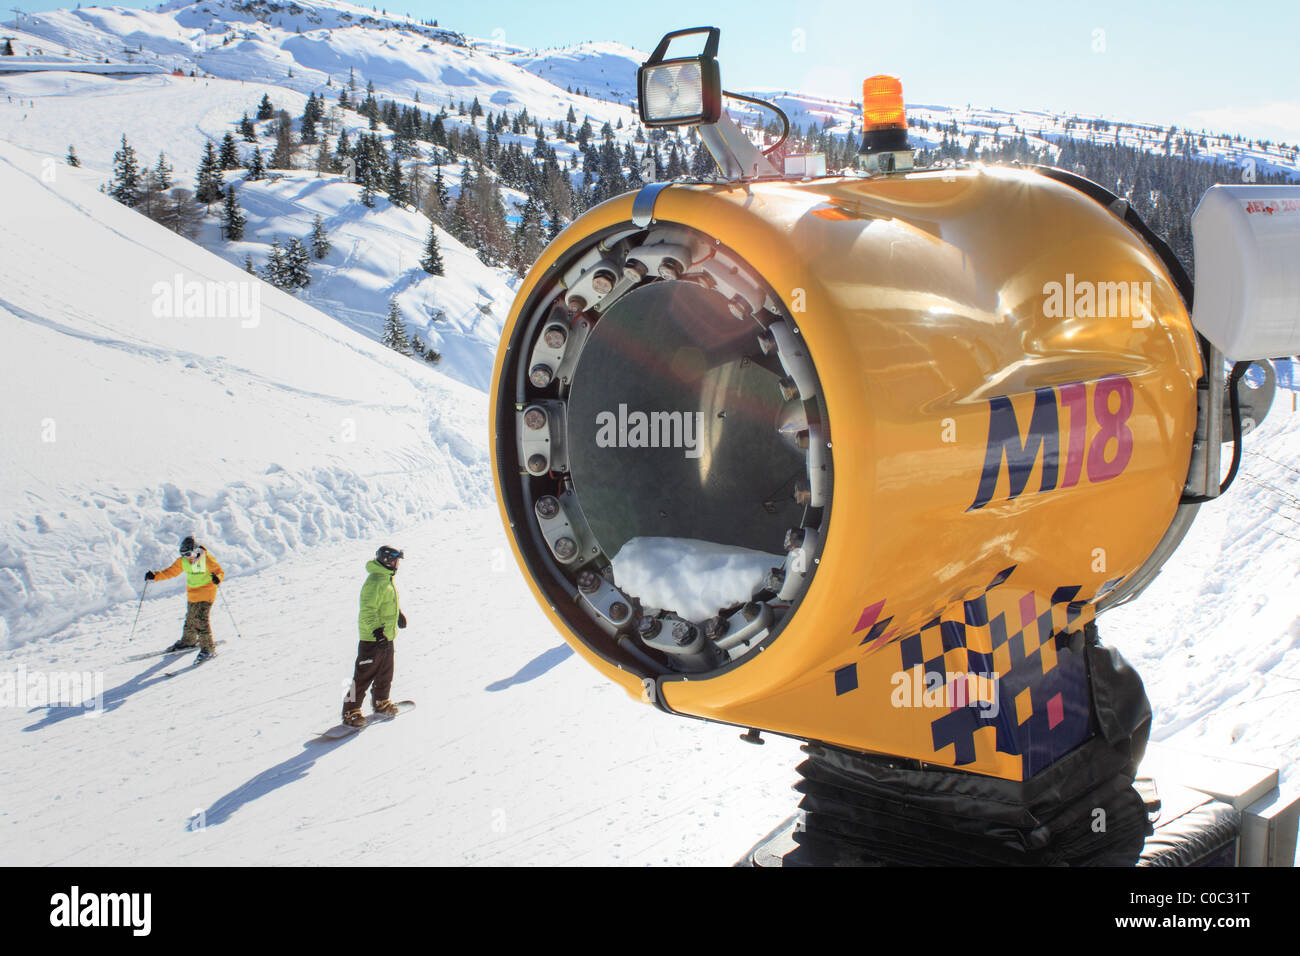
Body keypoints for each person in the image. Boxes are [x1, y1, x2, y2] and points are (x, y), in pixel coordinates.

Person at [341, 545, 408, 727]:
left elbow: (386, 604)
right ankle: (350, 711)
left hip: (386, 637)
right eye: (396, 560)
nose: (397, 564)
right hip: (372, 640)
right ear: (387, 561)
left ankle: (381, 702)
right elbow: (367, 612)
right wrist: (377, 632)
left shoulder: (386, 579)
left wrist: (398, 615)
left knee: (385, 673)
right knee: (362, 677)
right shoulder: (375, 582)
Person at [146, 535, 223, 662]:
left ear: (195, 549)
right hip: (193, 594)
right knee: (190, 618)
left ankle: (208, 649)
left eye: (189, 554)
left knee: (201, 620)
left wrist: (217, 578)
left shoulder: (206, 558)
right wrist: (155, 576)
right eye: (184, 555)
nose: (187, 557)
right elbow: (171, 572)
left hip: (207, 592)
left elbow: (219, 571)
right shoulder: (183, 561)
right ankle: (189, 641)